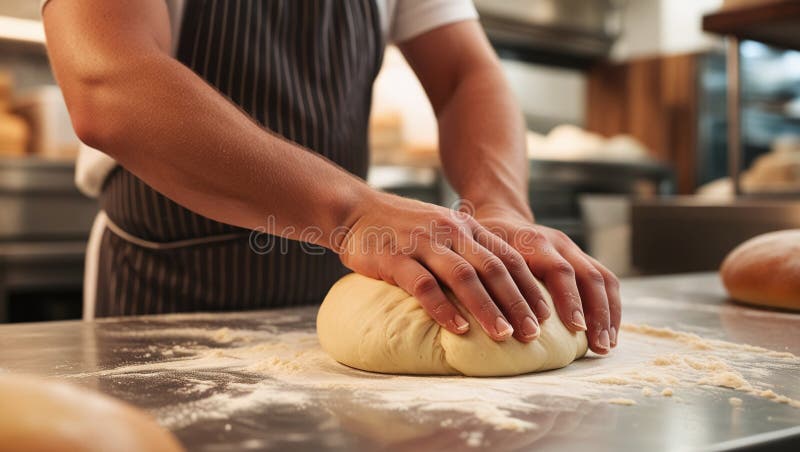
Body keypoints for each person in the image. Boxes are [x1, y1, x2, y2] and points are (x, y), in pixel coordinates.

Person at [42, 0, 620, 355]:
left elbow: (467, 75)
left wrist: (501, 210)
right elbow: (107, 82)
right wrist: (352, 213)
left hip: (340, 290)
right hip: (162, 294)